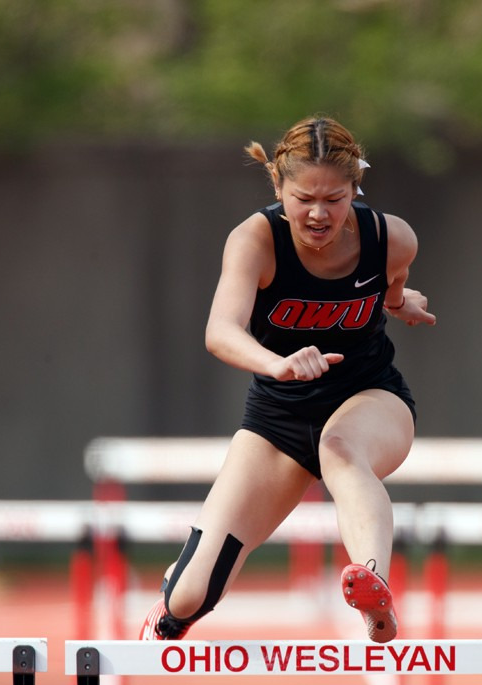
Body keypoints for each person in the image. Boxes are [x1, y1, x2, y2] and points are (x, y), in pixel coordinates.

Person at [140, 116, 436, 643]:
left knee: (340, 447)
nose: (319, 214)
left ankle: (373, 587)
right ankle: (176, 595)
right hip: (278, 416)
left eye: (335, 199)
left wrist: (401, 304)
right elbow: (220, 331)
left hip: (369, 397)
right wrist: (275, 363)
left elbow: (391, 289)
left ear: (355, 191)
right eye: (304, 199)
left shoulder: (391, 237)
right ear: (278, 186)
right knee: (189, 596)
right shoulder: (256, 239)